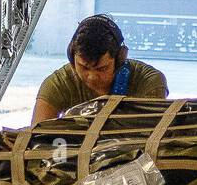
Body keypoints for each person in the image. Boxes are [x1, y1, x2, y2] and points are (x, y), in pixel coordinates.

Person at [31, 15, 168, 124]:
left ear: (120, 59)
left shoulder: (149, 82)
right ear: (72, 60)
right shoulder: (58, 84)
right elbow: (37, 139)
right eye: (84, 67)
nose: (92, 77)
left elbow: (153, 139)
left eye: (102, 68)